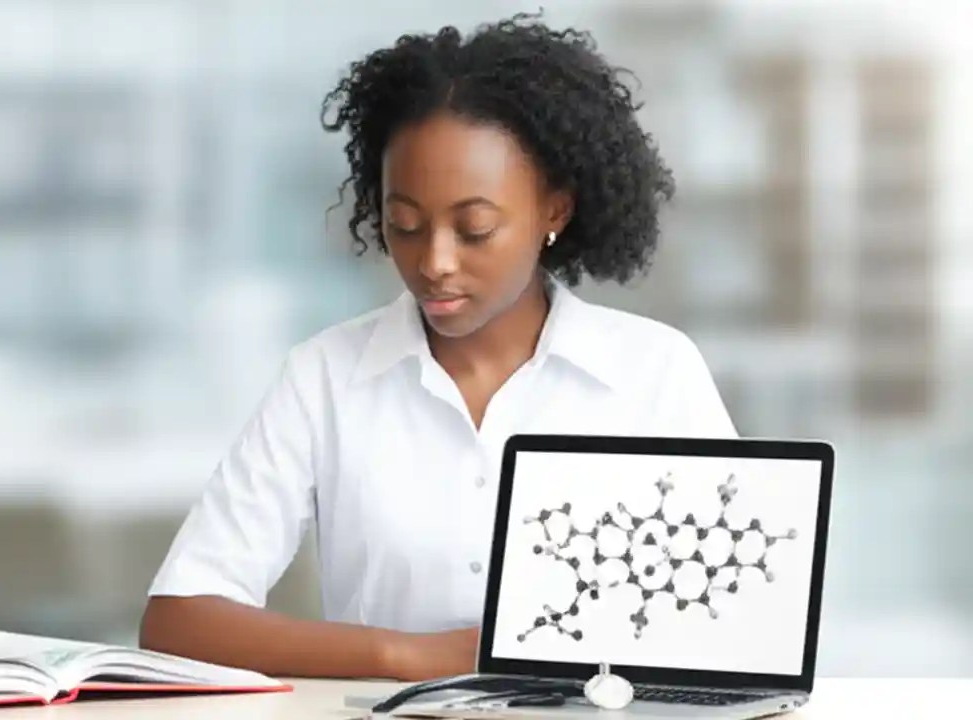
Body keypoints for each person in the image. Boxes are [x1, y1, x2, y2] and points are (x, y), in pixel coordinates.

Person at [139, 13, 736, 682]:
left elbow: (730, 621)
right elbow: (179, 622)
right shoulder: (324, 378)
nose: (434, 263)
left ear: (555, 212)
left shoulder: (654, 372)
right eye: (405, 226)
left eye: (474, 228)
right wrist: (406, 655)